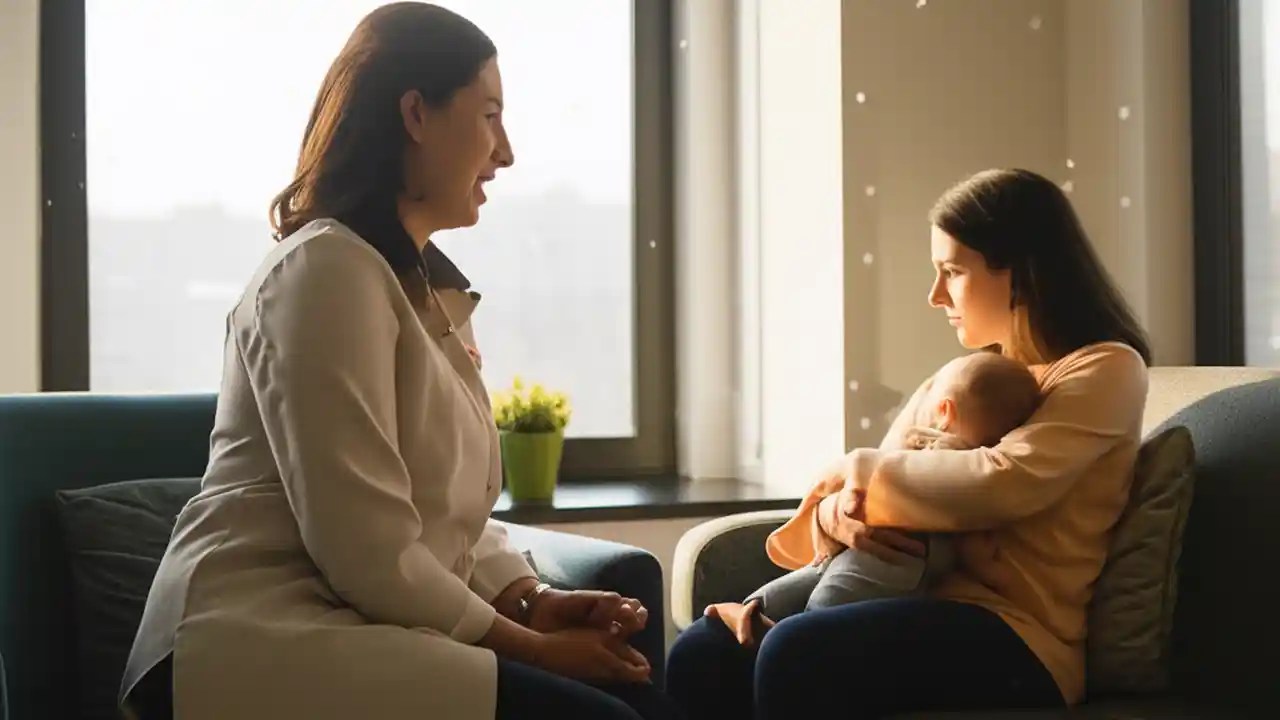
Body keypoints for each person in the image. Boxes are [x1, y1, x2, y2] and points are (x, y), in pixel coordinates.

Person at [119, 4, 680, 719]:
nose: (505, 152)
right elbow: (366, 549)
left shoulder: (414, 290)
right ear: (416, 113)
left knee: (644, 699)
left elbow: (448, 519)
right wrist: (530, 648)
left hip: (360, 625)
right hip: (253, 640)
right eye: (489, 115)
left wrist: (529, 597)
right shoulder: (323, 272)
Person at [666, 168, 1152, 719]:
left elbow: (1002, 482)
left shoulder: (1105, 368)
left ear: (1020, 272)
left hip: (1018, 636)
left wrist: (857, 469)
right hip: (908, 598)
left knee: (799, 651)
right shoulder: (964, 378)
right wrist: (834, 518)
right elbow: (877, 490)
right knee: (702, 652)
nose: (935, 294)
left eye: (952, 271)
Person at [705, 352, 1041, 646]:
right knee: (807, 591)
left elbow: (871, 472)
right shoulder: (972, 466)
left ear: (944, 410)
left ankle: (768, 627)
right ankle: (754, 614)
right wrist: (829, 513)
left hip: (890, 559)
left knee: (820, 612)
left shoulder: (944, 456)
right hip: (860, 554)